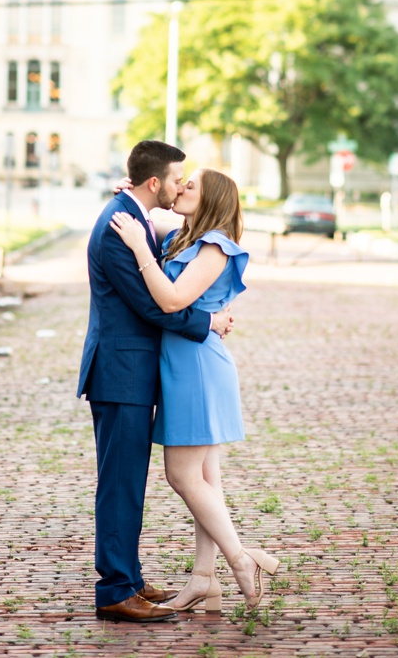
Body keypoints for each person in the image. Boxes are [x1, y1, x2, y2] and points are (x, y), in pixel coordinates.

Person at [76, 139, 235, 624]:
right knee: (120, 485)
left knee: (128, 482)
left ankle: (129, 577)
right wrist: (207, 323)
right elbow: (153, 306)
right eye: (175, 179)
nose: (180, 186)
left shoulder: (132, 215)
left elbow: (172, 230)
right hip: (120, 374)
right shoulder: (117, 228)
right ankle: (115, 591)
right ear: (154, 182)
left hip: (129, 373)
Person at [109, 166, 280, 611]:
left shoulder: (214, 247)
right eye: (180, 183)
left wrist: (135, 246)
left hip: (199, 369)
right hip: (183, 366)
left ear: (212, 200)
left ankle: (242, 561)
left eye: (191, 186)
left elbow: (170, 300)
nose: (181, 188)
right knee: (206, 481)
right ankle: (204, 579)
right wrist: (133, 198)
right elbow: (155, 218)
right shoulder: (182, 237)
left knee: (182, 476)